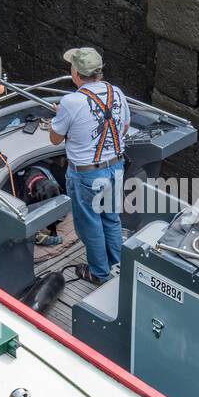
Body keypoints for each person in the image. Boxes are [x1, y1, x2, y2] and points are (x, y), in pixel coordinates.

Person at [48, 47, 131, 284]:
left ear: (76, 73)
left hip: (86, 175)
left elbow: (54, 138)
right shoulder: (116, 92)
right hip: (115, 168)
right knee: (112, 219)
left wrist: (60, 116)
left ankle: (99, 273)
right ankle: (118, 269)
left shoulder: (70, 102)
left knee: (90, 224)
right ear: (99, 72)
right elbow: (124, 127)